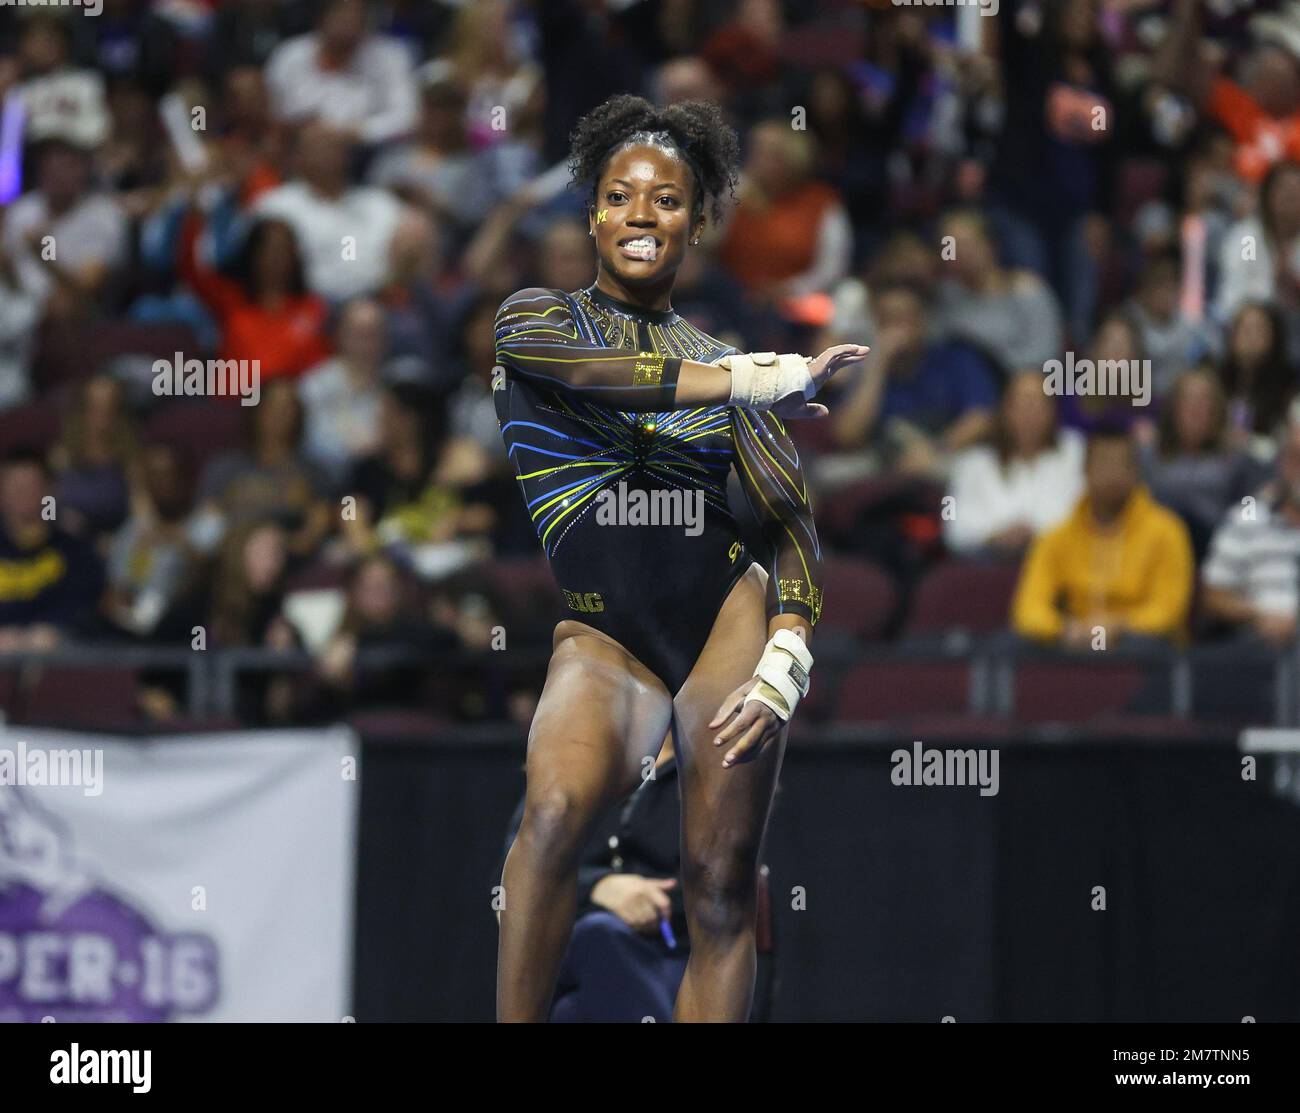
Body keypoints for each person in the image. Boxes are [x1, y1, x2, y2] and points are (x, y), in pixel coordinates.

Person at [492, 94, 866, 1023]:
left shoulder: (721, 365)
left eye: (666, 199)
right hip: (604, 637)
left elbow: (790, 521)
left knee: (716, 886)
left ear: (696, 223)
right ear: (592, 214)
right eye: (620, 195)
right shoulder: (536, 324)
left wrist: (787, 651)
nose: (640, 215)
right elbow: (603, 380)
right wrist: (768, 375)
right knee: (549, 818)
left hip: (719, 626)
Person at [1012, 428, 1194, 649]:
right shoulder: (1056, 537)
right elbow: (1029, 608)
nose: (1112, 473)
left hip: (1137, 644)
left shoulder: (1167, 531)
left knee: (1146, 643)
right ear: (1085, 470)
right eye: (1104, 463)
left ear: (1135, 472)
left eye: (1122, 464)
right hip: (1075, 641)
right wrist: (1063, 629)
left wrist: (1118, 626)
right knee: (1016, 643)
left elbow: (1168, 610)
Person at [944, 370, 1085, 558]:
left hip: (1059, 563)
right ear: (1004, 409)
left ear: (1052, 410)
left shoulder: (1076, 453)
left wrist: (1036, 533)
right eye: (1022, 403)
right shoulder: (969, 463)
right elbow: (951, 523)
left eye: (1037, 403)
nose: (1029, 413)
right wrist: (993, 536)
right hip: (987, 566)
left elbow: (1088, 518)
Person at [1201, 416, 1300, 649]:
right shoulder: (1246, 518)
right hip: (1258, 643)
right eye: (1297, 458)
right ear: (1282, 463)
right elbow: (1214, 596)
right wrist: (1258, 615)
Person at [0, 451, 104, 652]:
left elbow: (83, 607)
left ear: (49, 490)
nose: (22, 493)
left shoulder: (75, 550)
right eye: (14, 486)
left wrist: (42, 634)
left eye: (31, 486)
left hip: (56, 656)